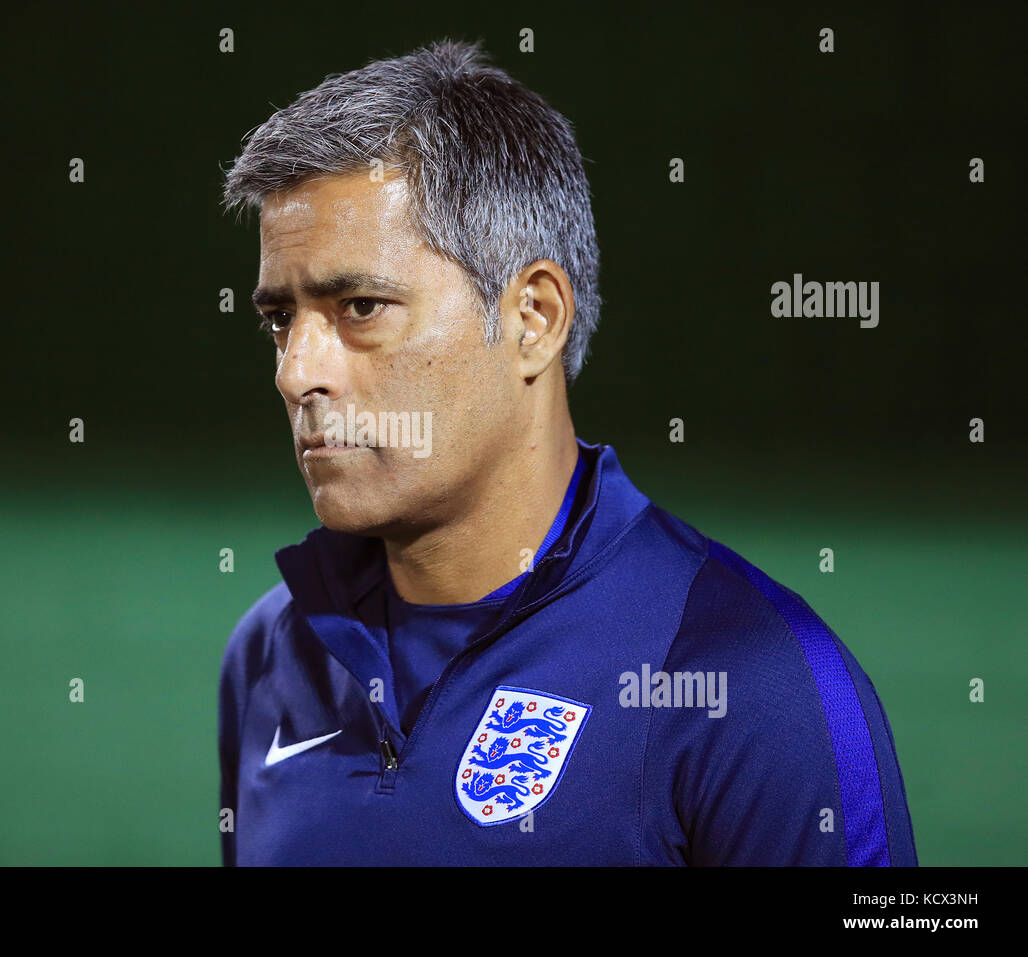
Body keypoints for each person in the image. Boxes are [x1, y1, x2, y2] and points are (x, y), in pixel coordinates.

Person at [216, 38, 917, 865]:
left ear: (534, 317)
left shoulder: (755, 683)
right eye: (279, 321)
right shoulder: (270, 653)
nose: (298, 372)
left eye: (361, 306)